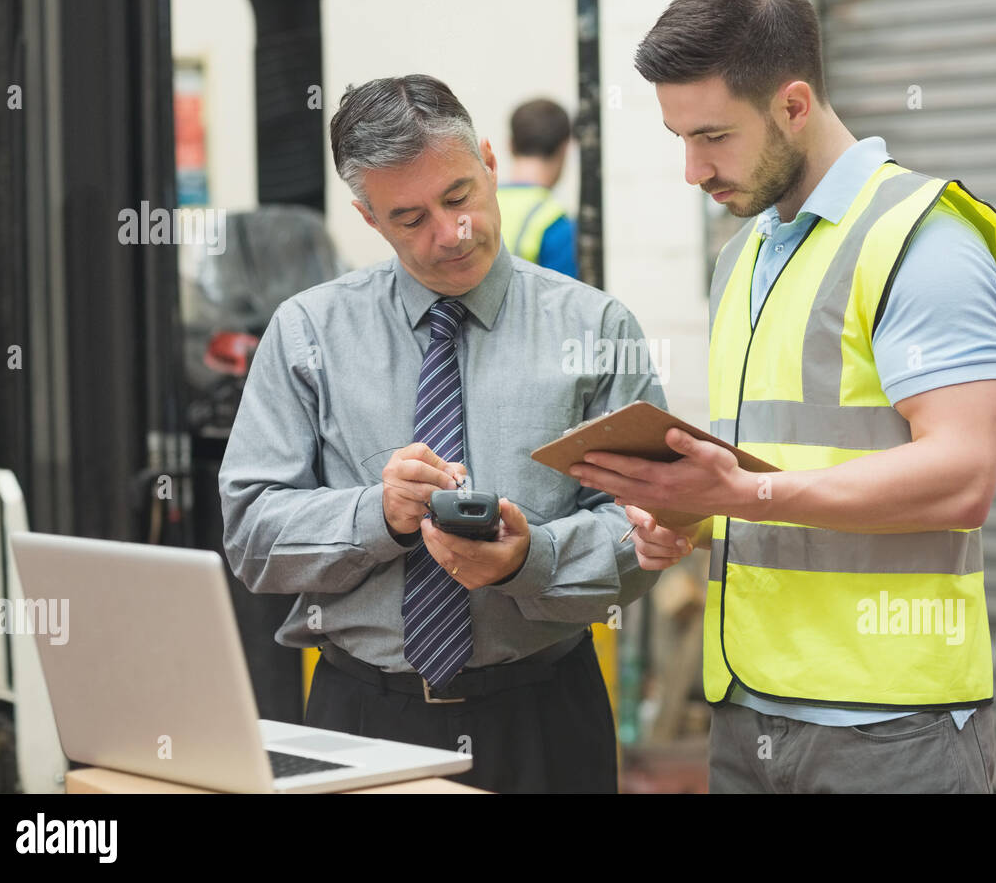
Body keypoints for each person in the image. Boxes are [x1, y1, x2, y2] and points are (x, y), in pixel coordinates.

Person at [569, 0, 996, 793]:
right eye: (679, 139)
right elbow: (774, 467)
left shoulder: (923, 238)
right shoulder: (744, 254)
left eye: (712, 136)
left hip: (890, 727)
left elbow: (963, 477)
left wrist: (740, 497)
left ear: (795, 105)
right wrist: (689, 515)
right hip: (747, 712)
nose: (691, 170)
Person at [218, 74, 666, 793]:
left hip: (545, 716)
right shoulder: (308, 334)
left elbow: (650, 525)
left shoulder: (595, 329)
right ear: (369, 219)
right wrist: (378, 515)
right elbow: (250, 537)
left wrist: (534, 557)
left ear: (489, 163)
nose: (448, 234)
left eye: (458, 197)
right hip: (361, 721)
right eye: (410, 217)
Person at [497, 98, 577, 277]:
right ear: (564, 148)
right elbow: (564, 300)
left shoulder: (477, 204)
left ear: (510, 144)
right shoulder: (557, 224)